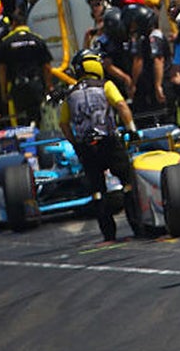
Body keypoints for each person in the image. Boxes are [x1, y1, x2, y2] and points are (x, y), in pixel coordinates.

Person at [59, 51, 139, 242]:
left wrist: (75, 143)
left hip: (86, 146)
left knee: (97, 191)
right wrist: (132, 129)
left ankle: (108, 234)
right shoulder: (106, 85)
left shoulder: (70, 94)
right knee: (128, 182)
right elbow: (121, 105)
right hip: (109, 141)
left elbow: (63, 124)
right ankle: (136, 225)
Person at [0, 20, 54, 125]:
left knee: (21, 121)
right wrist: (49, 86)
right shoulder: (37, 39)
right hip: (36, 85)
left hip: (18, 87)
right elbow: (47, 67)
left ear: (13, 25)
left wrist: (3, 91)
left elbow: (2, 70)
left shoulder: (6, 42)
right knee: (40, 117)